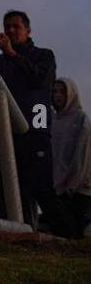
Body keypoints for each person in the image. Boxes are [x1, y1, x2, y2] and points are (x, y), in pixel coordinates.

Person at [0, 10, 76, 236]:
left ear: (28, 30)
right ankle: (16, 234)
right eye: (7, 27)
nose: (11, 31)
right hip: (4, 134)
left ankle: (71, 236)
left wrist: (12, 53)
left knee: (42, 190)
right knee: (5, 191)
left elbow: (39, 80)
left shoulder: (44, 55)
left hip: (36, 131)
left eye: (16, 27)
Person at [52, 78, 91, 237]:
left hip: (79, 188)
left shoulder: (80, 119)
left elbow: (83, 155)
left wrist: (73, 184)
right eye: (55, 91)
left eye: (62, 91)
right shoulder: (51, 120)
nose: (58, 96)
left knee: (76, 233)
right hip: (58, 187)